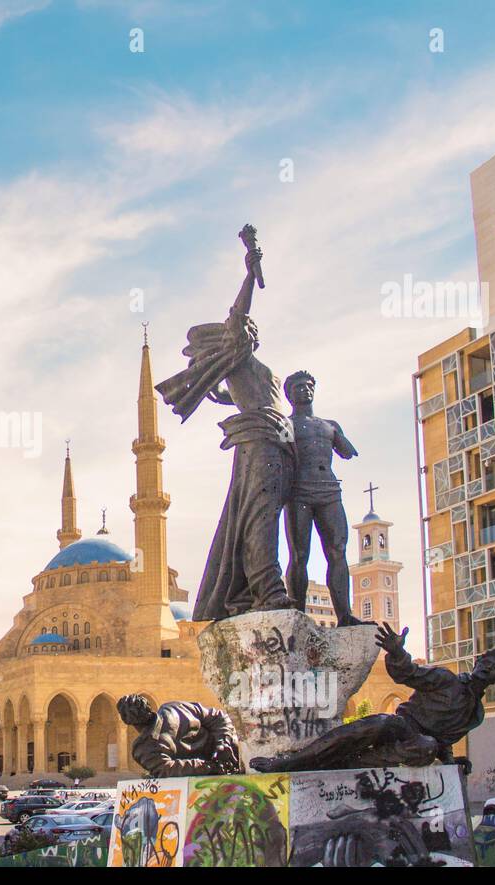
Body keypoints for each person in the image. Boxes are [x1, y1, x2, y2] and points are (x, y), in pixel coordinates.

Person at [157, 231, 295, 620]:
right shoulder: (240, 359)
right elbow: (239, 315)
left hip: (280, 440)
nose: (250, 332)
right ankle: (268, 590)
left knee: (268, 515)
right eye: (243, 330)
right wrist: (250, 272)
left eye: (251, 331)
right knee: (258, 515)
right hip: (260, 441)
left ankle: (261, 590)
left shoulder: (256, 370)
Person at [249, 623, 495, 773]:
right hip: (402, 725)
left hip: (420, 744)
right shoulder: (446, 680)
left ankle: (345, 766)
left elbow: (443, 740)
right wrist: (397, 653)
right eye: (488, 663)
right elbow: (408, 673)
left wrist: (450, 761)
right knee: (381, 725)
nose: (488, 669)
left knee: (427, 746)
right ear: (478, 661)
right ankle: (290, 762)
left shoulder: (474, 714)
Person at [281, 370, 362, 626]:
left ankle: (345, 615)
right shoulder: (286, 424)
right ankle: (298, 613)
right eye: (298, 387)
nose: (304, 390)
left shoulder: (330, 426)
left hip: (329, 490)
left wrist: (341, 439)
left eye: (308, 386)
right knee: (299, 554)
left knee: (337, 551)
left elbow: (347, 452)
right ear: (289, 394)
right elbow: (278, 457)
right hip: (299, 492)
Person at [117, 694, 241, 777]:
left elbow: (169, 770)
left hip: (223, 767)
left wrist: (221, 747)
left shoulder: (144, 749)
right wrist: (223, 744)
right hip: (232, 760)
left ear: (127, 722)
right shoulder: (174, 707)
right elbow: (219, 717)